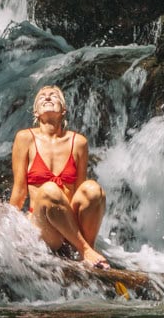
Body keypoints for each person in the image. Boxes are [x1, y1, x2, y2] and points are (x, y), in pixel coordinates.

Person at [10, 84, 109, 269]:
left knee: (93, 189)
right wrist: (9, 232)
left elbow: (80, 192)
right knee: (49, 189)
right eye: (42, 97)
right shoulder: (25, 138)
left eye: (54, 96)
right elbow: (19, 190)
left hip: (69, 227)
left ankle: (87, 251)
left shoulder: (79, 142)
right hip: (44, 228)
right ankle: (85, 250)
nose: (47, 97)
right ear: (36, 112)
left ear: (64, 110)